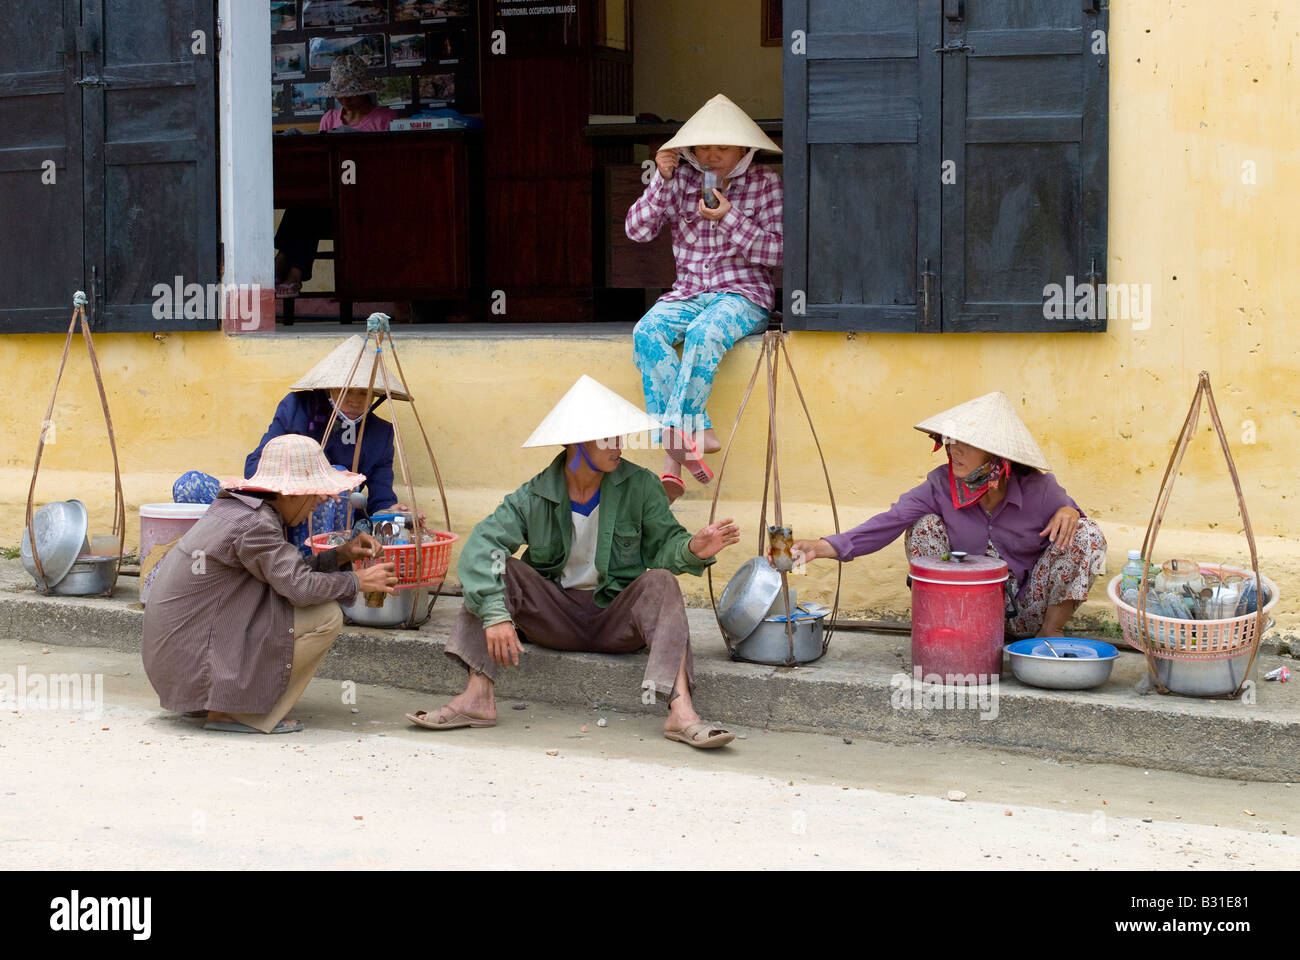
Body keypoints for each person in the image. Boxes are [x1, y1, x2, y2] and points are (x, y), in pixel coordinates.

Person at [406, 375, 743, 748]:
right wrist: (496, 614)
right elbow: (482, 546)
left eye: (620, 436)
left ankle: (681, 712)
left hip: (615, 619)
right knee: (493, 569)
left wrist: (693, 549)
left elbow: (666, 546)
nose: (618, 446)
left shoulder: (642, 485)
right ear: (576, 444)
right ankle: (477, 696)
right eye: (607, 438)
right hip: (553, 618)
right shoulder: (534, 494)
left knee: (662, 581)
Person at [791, 392, 1107, 639]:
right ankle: (947, 630)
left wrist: (1070, 512)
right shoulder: (940, 484)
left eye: (966, 444)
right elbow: (890, 521)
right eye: (952, 441)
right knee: (923, 525)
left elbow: (1076, 526)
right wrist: (820, 548)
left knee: (1087, 532)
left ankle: (1049, 632)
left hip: (1028, 611)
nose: (954, 450)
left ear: (996, 455)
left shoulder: (1038, 488)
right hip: (966, 612)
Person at [142, 435, 398, 734]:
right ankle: (239, 713)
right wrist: (356, 581)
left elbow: (288, 574)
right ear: (290, 493)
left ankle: (219, 702)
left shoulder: (243, 510)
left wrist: (341, 554)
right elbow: (299, 588)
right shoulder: (255, 524)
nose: (317, 506)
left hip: (182, 660)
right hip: (190, 661)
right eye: (316, 496)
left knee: (303, 607)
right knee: (325, 616)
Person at [626, 94, 783, 503]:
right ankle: (698, 429)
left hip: (743, 295)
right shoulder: (678, 180)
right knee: (647, 331)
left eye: (723, 147)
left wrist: (730, 218)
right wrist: (661, 179)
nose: (712, 156)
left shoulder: (766, 183)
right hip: (689, 292)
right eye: (703, 147)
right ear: (689, 150)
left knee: (703, 332)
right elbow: (637, 231)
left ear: (744, 151)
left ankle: (673, 455)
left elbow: (778, 253)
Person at [171, 335, 402, 556]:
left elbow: (380, 499)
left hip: (326, 526)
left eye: (364, 393)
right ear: (329, 387)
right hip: (271, 513)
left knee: (340, 481)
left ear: (375, 396)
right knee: (189, 485)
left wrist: (392, 514)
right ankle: (235, 559)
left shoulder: (380, 433)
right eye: (346, 390)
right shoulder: (297, 408)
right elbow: (254, 467)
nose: (355, 399)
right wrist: (302, 489)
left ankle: (310, 566)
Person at [275, 55, 398, 297]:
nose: (344, 98)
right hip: (329, 203)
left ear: (365, 91)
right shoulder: (329, 119)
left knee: (309, 209)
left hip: (367, 202)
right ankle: (293, 274)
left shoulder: (386, 119)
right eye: (340, 93)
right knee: (308, 204)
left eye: (351, 92)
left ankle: (283, 263)